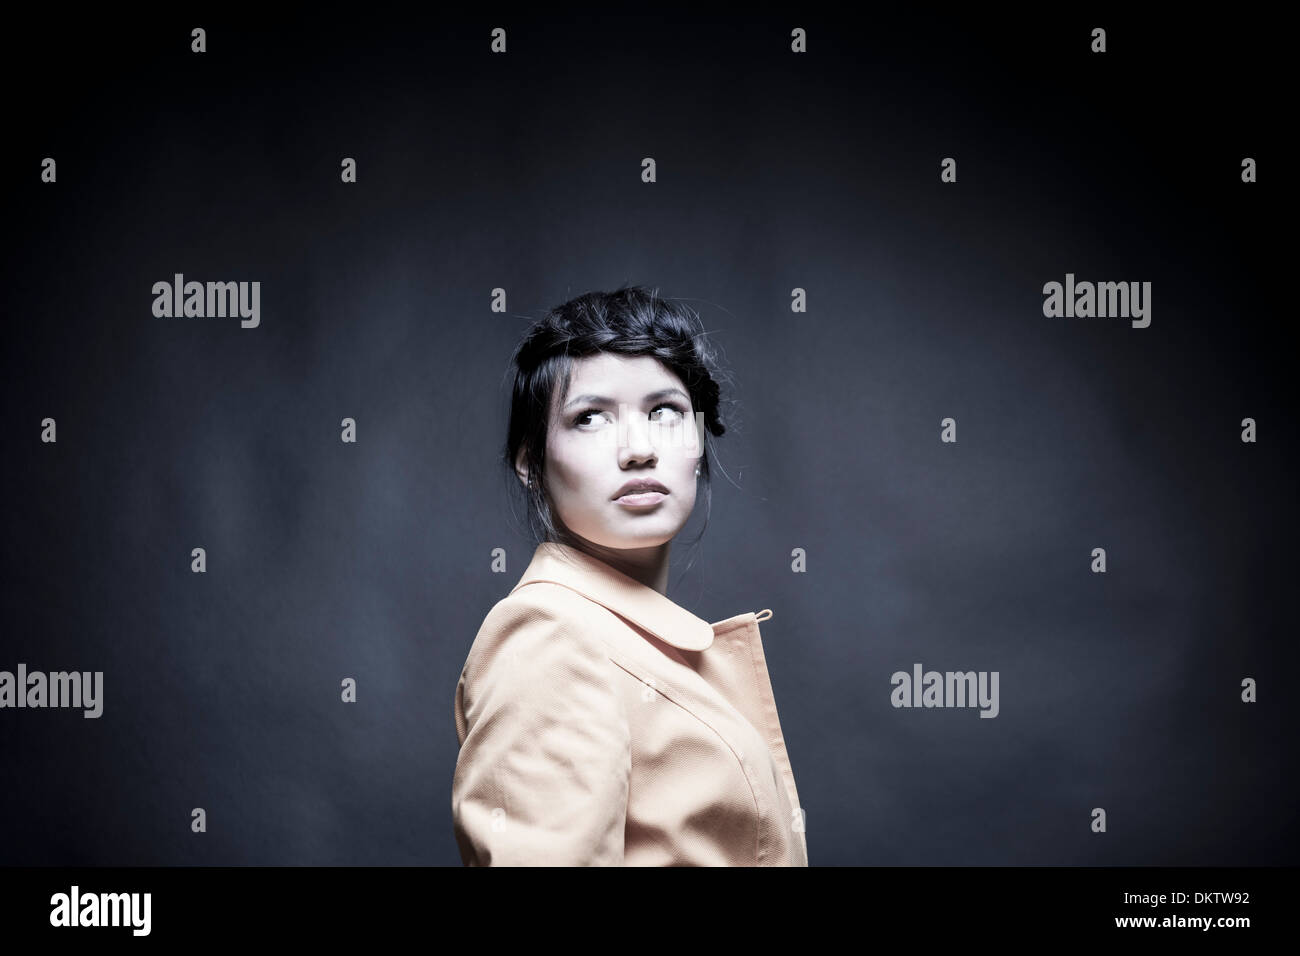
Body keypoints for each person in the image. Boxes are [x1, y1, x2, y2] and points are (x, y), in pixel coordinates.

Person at [451, 284, 808, 866]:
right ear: (530, 463)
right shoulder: (549, 636)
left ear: (698, 438)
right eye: (589, 417)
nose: (638, 448)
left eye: (664, 412)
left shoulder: (623, 640)